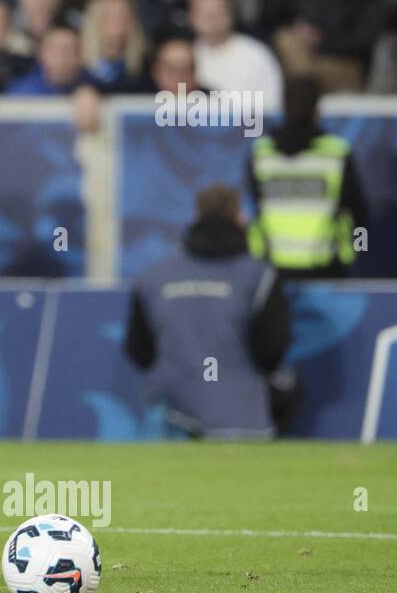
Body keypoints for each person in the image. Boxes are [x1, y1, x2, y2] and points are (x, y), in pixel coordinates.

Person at [124, 184, 291, 439]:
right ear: (241, 218)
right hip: (241, 418)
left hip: (169, 418)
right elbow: (272, 349)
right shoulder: (260, 276)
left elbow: (138, 348)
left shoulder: (153, 276)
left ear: (194, 217)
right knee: (291, 385)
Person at [247, 76, 368, 278]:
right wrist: (358, 250)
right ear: (316, 109)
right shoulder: (336, 153)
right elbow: (358, 211)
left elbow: (256, 207)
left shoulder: (261, 153)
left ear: (283, 107)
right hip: (327, 266)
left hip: (272, 266)